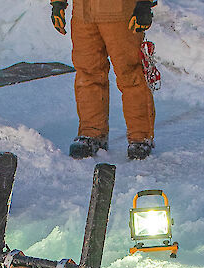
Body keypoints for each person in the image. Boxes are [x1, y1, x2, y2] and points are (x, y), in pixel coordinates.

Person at [51, 0, 157, 160]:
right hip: (84, 15)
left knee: (131, 75)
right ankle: (92, 133)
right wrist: (58, 3)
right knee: (87, 74)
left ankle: (140, 137)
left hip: (122, 14)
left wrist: (144, 4)